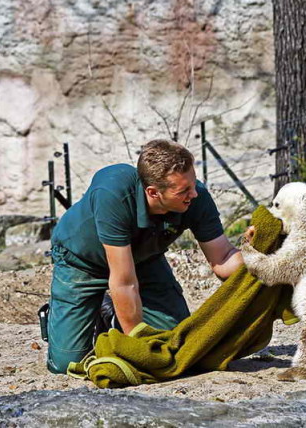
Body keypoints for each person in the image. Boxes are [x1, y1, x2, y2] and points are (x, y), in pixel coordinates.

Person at [45, 139, 245, 374]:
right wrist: (136, 346)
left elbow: (223, 259)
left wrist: (261, 257)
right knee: (65, 365)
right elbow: (124, 282)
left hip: (143, 260)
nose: (194, 193)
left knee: (175, 345)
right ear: (153, 192)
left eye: (192, 184)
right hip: (81, 262)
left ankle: (113, 317)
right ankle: (90, 310)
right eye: (183, 191)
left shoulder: (196, 197)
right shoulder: (113, 193)